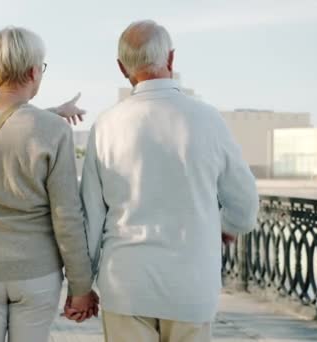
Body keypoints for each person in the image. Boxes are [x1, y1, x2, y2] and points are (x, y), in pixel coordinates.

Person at [75, 20, 259, 341]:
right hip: (191, 285)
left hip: (126, 283)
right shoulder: (208, 119)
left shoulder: (106, 125)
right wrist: (227, 226)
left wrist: (80, 286)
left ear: (122, 68)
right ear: (171, 59)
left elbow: (91, 217)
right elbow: (244, 205)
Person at [0, 26, 97, 342]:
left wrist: (54, 112)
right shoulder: (53, 131)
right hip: (35, 272)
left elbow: (4, 126)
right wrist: (81, 287)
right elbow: (67, 216)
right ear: (33, 71)